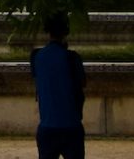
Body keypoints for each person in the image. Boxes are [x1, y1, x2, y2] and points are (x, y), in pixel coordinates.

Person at [29, 12, 85, 159]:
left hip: (47, 126)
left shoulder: (37, 56)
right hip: (71, 125)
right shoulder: (71, 57)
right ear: (65, 33)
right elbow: (80, 87)